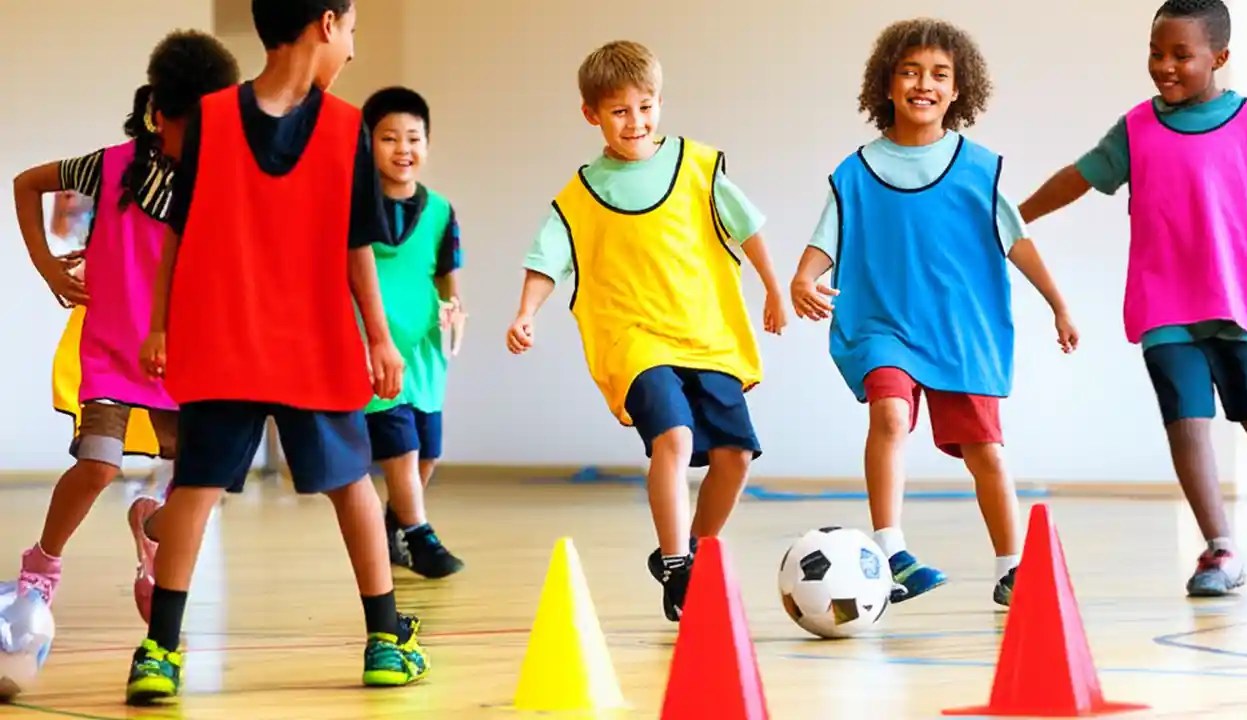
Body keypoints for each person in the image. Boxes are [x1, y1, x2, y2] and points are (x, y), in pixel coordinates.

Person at [125, 0, 427, 705]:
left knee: (196, 488)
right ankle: (384, 640)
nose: (351, 49)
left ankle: (159, 651)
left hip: (230, 338)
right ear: (325, 24)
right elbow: (359, 250)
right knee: (352, 481)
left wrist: (162, 323)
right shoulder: (340, 126)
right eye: (351, 31)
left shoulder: (215, 118)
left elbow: (176, 234)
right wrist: (376, 338)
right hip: (302, 340)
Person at [790, 18, 1079, 607]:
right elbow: (828, 237)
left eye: (939, 75)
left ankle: (1012, 566)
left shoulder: (979, 168)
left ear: (957, 90)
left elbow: (1017, 241)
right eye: (910, 71)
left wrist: (1058, 304)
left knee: (987, 453)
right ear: (887, 84)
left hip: (959, 332)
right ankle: (892, 552)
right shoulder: (855, 171)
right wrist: (802, 277)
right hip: (883, 325)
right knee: (890, 418)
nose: (924, 83)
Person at [506, 40, 787, 622]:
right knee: (676, 440)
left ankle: (690, 555)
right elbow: (546, 259)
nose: (635, 121)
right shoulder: (580, 195)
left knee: (735, 456)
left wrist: (774, 288)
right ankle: (680, 566)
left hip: (706, 337)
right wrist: (526, 311)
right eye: (619, 111)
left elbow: (750, 229)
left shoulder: (697, 168)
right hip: (634, 340)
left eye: (645, 106)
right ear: (592, 115)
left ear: (660, 102)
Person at [1020, 0, 1247, 597]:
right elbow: (1079, 176)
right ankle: (1220, 548)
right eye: (1156, 53)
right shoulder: (1137, 128)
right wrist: (1013, 218)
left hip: (1242, 301)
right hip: (1166, 305)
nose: (1165, 65)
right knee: (1185, 423)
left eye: (1180, 55)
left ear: (1220, 57)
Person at [11, 30, 240, 623]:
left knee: (202, 475)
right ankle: (41, 568)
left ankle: (155, 530)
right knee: (98, 465)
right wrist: (46, 268)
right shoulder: (107, 167)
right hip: (113, 349)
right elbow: (26, 183)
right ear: (160, 117)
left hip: (179, 350)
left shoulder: (215, 183)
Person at [360, 85, 466, 578]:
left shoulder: (441, 210)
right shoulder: (353, 204)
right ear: (367, 143)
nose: (403, 149)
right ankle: (421, 536)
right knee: (398, 437)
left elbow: (448, 272)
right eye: (389, 138)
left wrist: (454, 307)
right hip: (373, 341)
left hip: (424, 348)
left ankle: (395, 521)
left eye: (414, 138)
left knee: (428, 450)